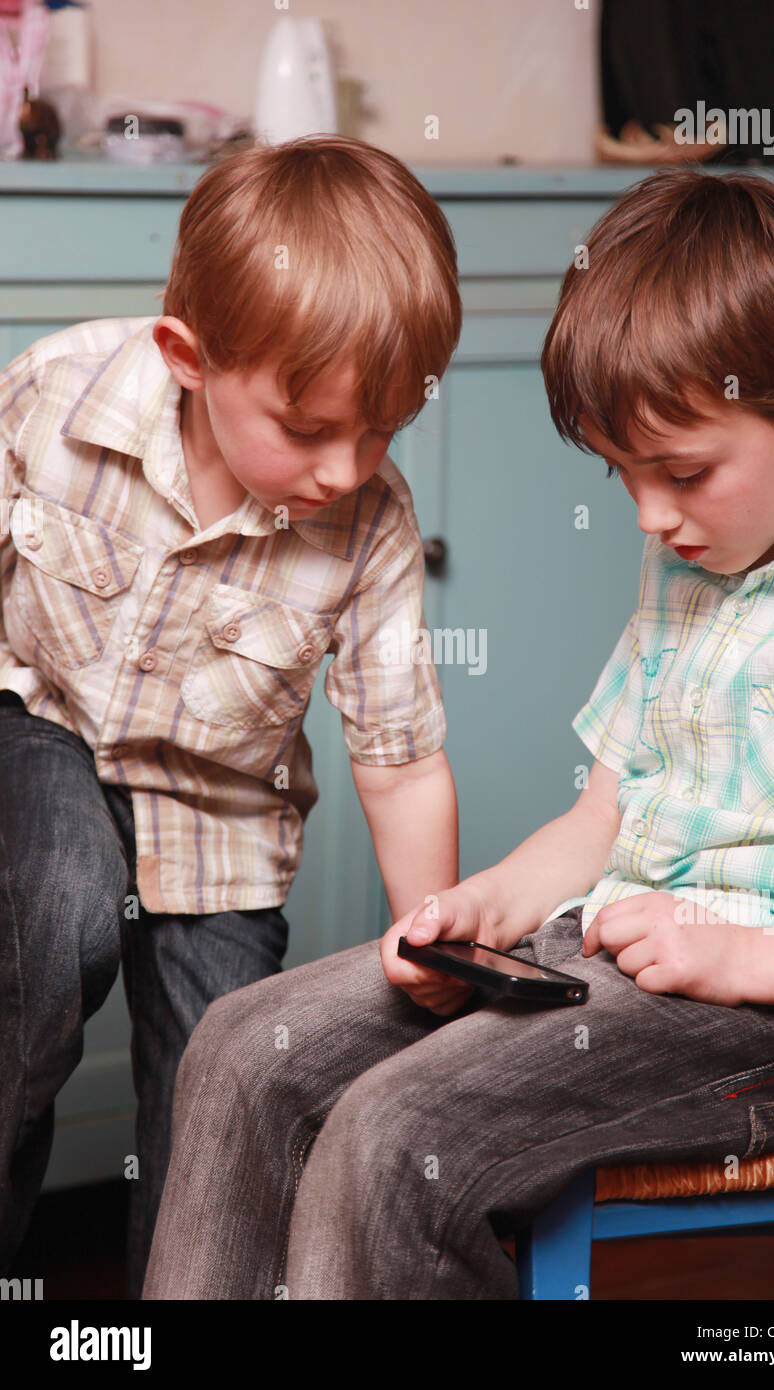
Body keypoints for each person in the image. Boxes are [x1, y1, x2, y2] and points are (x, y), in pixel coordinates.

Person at [141, 167, 774, 1302]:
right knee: (240, 1048)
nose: (646, 514)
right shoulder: (695, 549)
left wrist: (746, 959)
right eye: (622, 475)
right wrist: (487, 909)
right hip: (617, 952)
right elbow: (604, 815)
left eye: (679, 472)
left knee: (396, 1136)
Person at [0, 135, 463, 1299]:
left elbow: (399, 762)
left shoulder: (370, 526)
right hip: (36, 723)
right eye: (309, 430)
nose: (346, 469)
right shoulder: (57, 392)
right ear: (187, 357)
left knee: (221, 1094)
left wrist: (438, 943)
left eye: (383, 432)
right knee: (59, 908)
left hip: (220, 821)